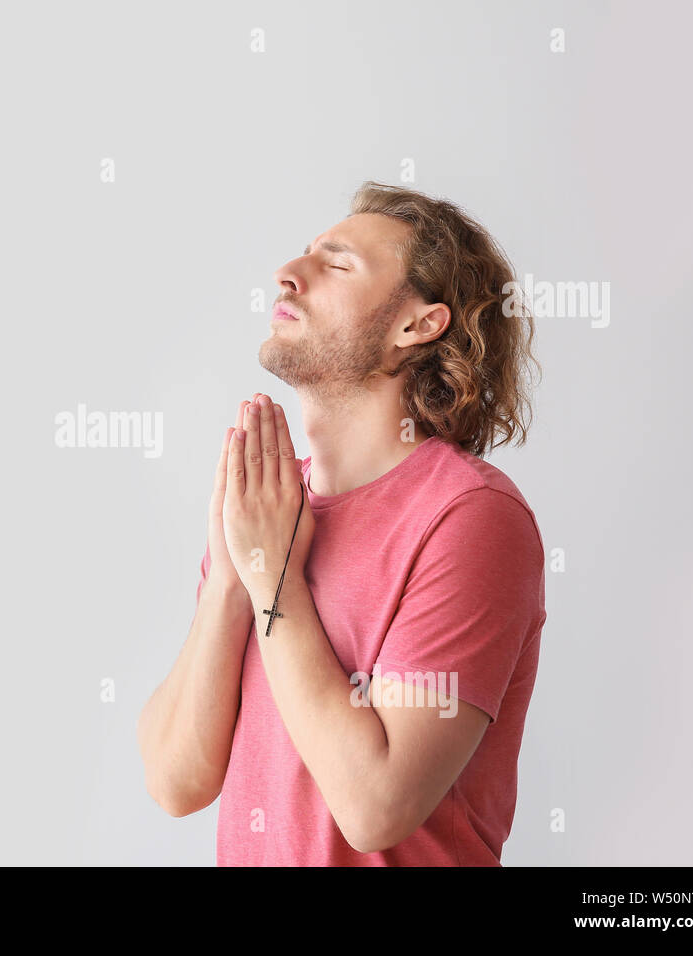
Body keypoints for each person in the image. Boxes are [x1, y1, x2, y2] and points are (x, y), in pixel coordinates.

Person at [137, 182, 546, 865]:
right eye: (305, 255)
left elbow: (374, 806)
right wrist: (231, 582)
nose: (288, 275)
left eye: (337, 264)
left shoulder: (470, 517)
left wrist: (273, 577)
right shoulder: (267, 505)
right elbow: (174, 782)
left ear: (418, 324)